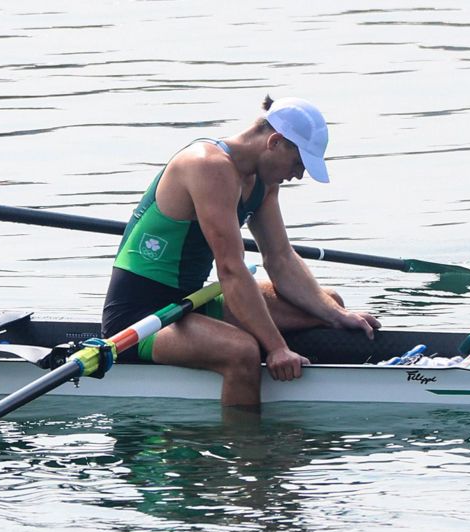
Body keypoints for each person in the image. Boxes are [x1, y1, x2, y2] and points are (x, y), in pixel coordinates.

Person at [102, 96, 380, 407]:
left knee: (328, 304)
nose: (299, 175)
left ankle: (283, 381)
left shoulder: (262, 180)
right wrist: (275, 347)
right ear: (275, 142)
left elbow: (280, 258)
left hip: (189, 303)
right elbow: (231, 269)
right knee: (241, 351)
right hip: (140, 318)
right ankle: (247, 449)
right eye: (298, 163)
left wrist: (339, 316)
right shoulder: (208, 166)